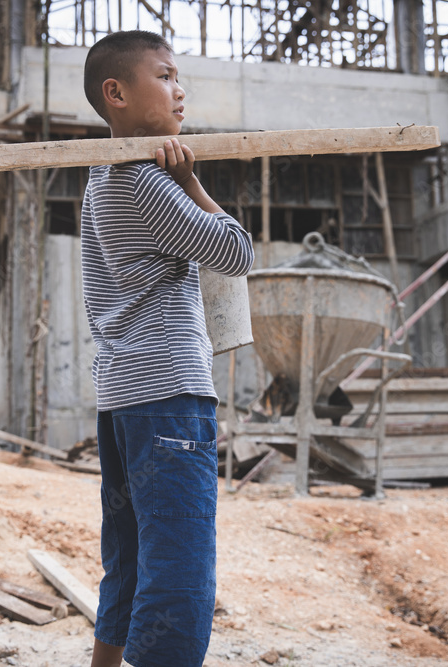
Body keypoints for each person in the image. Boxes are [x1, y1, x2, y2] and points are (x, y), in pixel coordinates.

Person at [80, 30, 254, 667]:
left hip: (124, 396)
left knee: (127, 556)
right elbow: (235, 253)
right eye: (166, 75)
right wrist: (194, 186)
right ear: (117, 93)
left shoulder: (103, 175)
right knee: (179, 567)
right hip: (168, 396)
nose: (180, 90)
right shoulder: (145, 181)